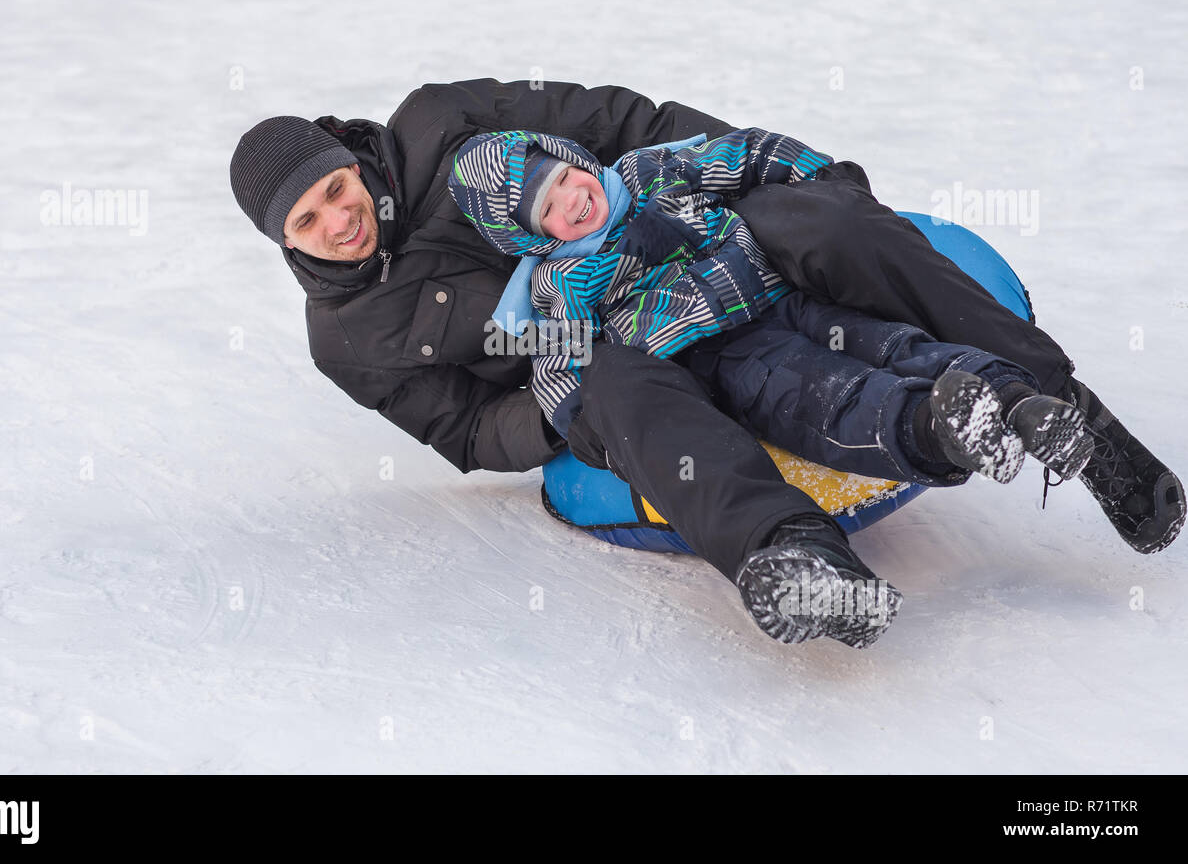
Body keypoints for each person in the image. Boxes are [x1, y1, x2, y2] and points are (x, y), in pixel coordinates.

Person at [228, 78, 1183, 649]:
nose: (337, 222)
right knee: (616, 383)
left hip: (669, 229)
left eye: (334, 190)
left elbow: (622, 122)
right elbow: (463, 431)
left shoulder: (440, 123)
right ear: (283, 241)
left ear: (348, 160)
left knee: (827, 221)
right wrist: (558, 395)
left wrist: (761, 173)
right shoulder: (344, 337)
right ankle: (791, 560)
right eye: (307, 222)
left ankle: (1070, 416)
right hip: (600, 347)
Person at [446, 127, 1099, 645]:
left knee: (894, 344)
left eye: (563, 178)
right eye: (548, 210)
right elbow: (560, 375)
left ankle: (1016, 408)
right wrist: (592, 426)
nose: (571, 200)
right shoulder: (559, 286)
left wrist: (828, 184)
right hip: (727, 357)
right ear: (531, 238)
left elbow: (743, 154)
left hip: (783, 291)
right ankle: (913, 468)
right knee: (828, 397)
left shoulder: (651, 173)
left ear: (575, 158)